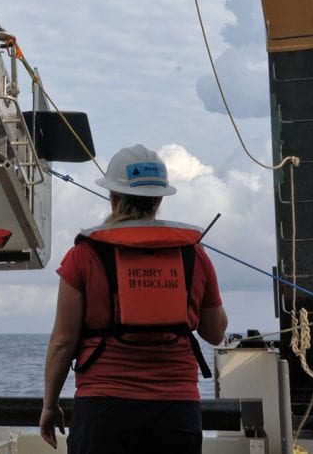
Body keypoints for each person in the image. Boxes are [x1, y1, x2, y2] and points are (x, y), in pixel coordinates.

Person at [39, 144, 228, 454]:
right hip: (176, 409)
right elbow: (215, 332)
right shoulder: (195, 255)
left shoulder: (83, 255)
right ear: (159, 201)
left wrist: (50, 404)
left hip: (103, 408)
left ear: (113, 197)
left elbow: (62, 342)